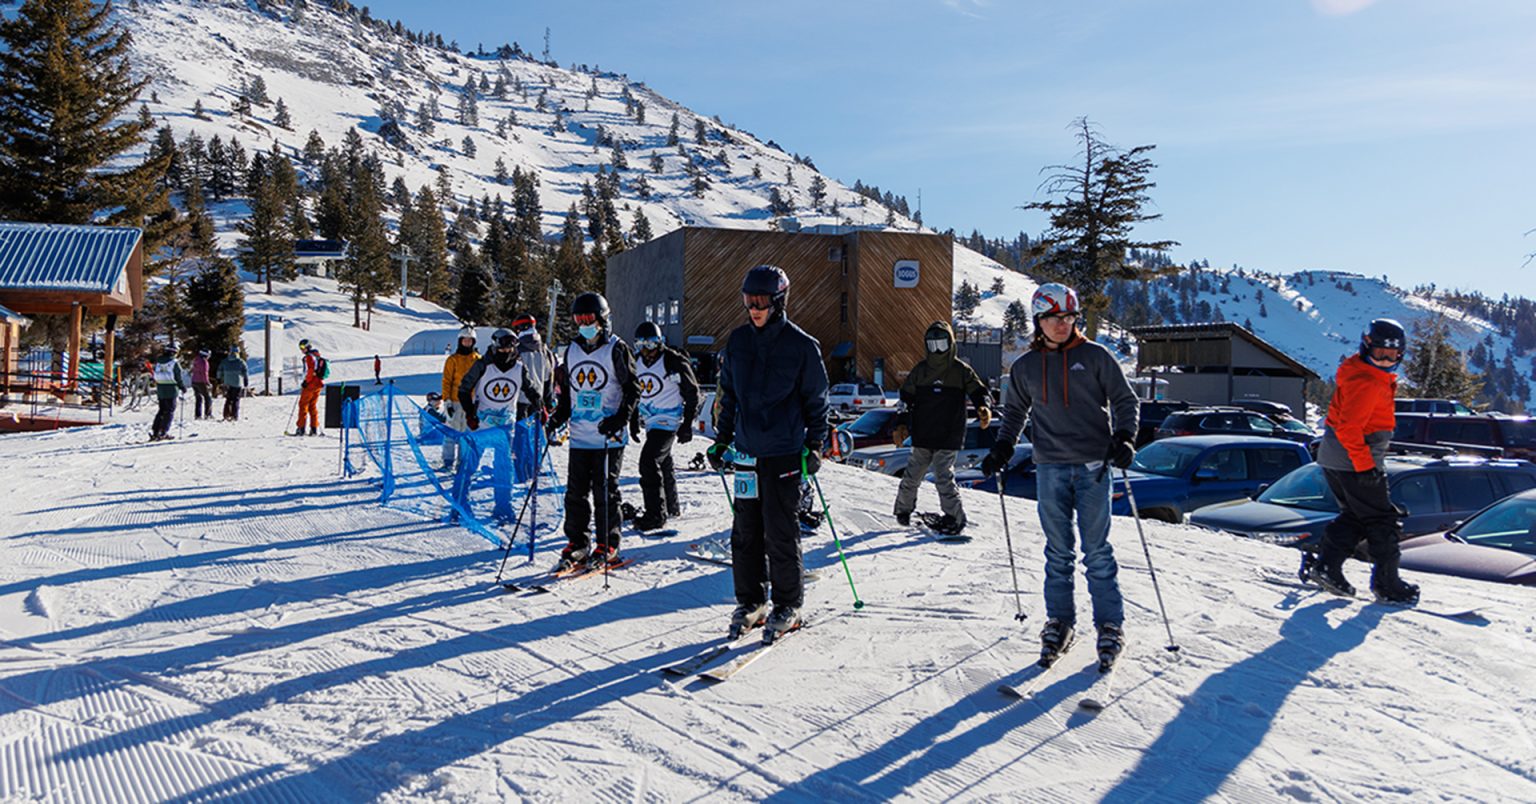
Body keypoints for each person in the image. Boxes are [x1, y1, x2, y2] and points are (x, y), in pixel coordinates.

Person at [979, 283, 1138, 666]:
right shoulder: (1025, 367)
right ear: (1039, 321)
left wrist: (1125, 436)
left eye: (1068, 317)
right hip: (1049, 467)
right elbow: (1014, 412)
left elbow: (1124, 399)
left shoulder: (1096, 356)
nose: (1062, 324)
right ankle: (1060, 622)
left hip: (1094, 467)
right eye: (1054, 318)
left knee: (1096, 551)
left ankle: (1110, 625)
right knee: (1058, 552)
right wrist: (1002, 447)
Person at [707, 265, 830, 643]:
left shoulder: (802, 346)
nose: (753, 309)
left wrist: (814, 446)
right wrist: (722, 439)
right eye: (748, 301)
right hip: (747, 453)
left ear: (778, 302)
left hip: (784, 454)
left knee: (780, 531)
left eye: (760, 302)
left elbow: (817, 402)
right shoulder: (738, 342)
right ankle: (751, 601)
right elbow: (729, 397)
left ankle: (788, 604)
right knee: (745, 533)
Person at [1308, 318, 1419, 604]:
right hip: (1355, 458)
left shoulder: (1361, 372)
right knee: (1382, 520)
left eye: (1392, 355)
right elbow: (1349, 428)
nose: (1385, 361)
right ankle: (1387, 584)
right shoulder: (1368, 381)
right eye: (1380, 353)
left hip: (1338, 457)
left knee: (1357, 516)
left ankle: (1326, 566)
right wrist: (1365, 466)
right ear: (1366, 346)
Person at [546, 292, 639, 571]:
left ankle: (608, 544)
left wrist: (620, 418)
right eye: (579, 320)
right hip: (580, 435)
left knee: (605, 492)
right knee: (575, 493)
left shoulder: (616, 348)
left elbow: (633, 389)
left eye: (589, 319)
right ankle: (577, 543)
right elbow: (568, 395)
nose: (584, 325)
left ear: (602, 319)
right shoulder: (571, 351)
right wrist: (557, 418)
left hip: (608, 435)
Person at [892, 321, 993, 535]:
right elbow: (905, 398)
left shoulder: (960, 370)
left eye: (942, 345)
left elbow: (978, 390)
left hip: (949, 434)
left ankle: (955, 517)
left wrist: (983, 407)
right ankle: (903, 510)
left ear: (951, 344)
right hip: (923, 433)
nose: (937, 350)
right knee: (912, 475)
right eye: (933, 345)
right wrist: (900, 423)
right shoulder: (921, 371)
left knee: (943, 476)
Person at [458, 328, 542, 522]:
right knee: (469, 465)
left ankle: (503, 507)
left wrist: (540, 406)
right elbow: (464, 389)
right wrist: (470, 414)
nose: (506, 352)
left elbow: (530, 389)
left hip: (505, 426)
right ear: (495, 346)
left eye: (510, 348)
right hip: (481, 425)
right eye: (503, 348)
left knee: (504, 467)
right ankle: (459, 504)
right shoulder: (483, 364)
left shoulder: (519, 368)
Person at [629, 320, 700, 531]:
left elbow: (692, 392)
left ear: (660, 342)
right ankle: (671, 506)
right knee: (663, 462)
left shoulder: (672, 360)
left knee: (649, 462)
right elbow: (633, 392)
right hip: (650, 420)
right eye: (641, 345)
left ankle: (655, 515)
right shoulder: (636, 362)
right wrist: (633, 420)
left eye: (651, 344)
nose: (647, 351)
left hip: (669, 420)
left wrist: (687, 423)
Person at [440, 326, 480, 471]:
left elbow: (481, 382)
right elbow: (447, 381)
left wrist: (479, 401)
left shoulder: (478, 359)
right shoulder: (453, 360)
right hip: (455, 401)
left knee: (467, 433)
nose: (467, 343)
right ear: (460, 341)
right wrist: (447, 401)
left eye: (470, 340)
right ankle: (448, 461)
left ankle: (462, 462)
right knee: (451, 432)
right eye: (465, 340)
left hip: (471, 403)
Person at [149, 345, 187, 441]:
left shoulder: (159, 362)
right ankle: (163, 431)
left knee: (161, 410)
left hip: (161, 388)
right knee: (169, 411)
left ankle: (155, 431)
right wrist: (182, 386)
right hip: (171, 388)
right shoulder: (174, 362)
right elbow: (178, 376)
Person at [294, 340, 327, 436]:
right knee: (312, 405)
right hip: (318, 384)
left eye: (303, 347)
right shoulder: (316, 356)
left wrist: (306, 381)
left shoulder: (309, 357)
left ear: (308, 347)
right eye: (300, 347)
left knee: (303, 405)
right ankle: (314, 428)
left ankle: (301, 428)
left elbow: (311, 370)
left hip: (311, 384)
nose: (302, 349)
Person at [217, 347, 249, 421]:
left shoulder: (225, 361)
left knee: (228, 399)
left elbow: (219, 370)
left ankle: (226, 415)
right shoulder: (241, 361)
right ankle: (234, 416)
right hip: (237, 383)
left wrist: (219, 379)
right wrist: (246, 381)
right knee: (235, 399)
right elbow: (245, 372)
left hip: (227, 383)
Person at [190, 349, 213, 420]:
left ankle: (198, 415)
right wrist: (207, 382)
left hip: (194, 381)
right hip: (201, 382)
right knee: (208, 398)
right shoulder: (204, 362)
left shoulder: (196, 360)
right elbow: (204, 373)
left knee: (198, 398)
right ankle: (208, 414)